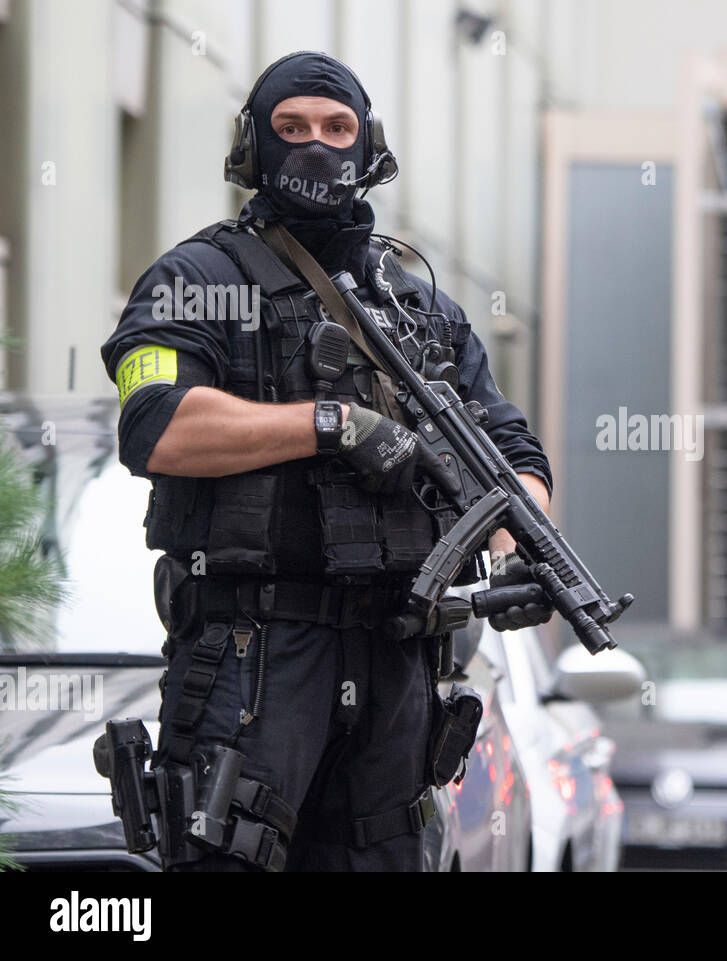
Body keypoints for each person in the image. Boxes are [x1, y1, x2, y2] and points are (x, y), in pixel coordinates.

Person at [101, 51, 553, 871]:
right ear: (254, 147)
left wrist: (517, 549)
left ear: (368, 145)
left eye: (337, 129)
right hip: (256, 656)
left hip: (396, 661)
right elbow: (156, 425)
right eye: (292, 128)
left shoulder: (416, 306)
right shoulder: (194, 281)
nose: (316, 146)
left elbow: (511, 451)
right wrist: (330, 422)